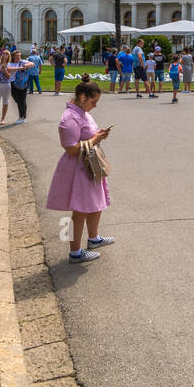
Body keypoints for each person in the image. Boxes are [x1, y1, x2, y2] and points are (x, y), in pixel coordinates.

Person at [47, 77, 114, 263]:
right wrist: (94, 140)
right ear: (83, 97)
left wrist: (98, 135)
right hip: (78, 168)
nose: (95, 106)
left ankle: (93, 239)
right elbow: (70, 148)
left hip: (89, 164)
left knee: (94, 203)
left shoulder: (82, 113)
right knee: (79, 210)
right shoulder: (69, 117)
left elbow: (86, 135)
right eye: (93, 102)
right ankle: (74, 252)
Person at [0, 52, 15, 126]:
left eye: (6, 54)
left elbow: (9, 76)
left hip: (6, 85)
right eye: (3, 53)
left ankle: (3, 119)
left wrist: (4, 70)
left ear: (8, 56)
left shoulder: (10, 64)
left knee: (5, 102)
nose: (4, 55)